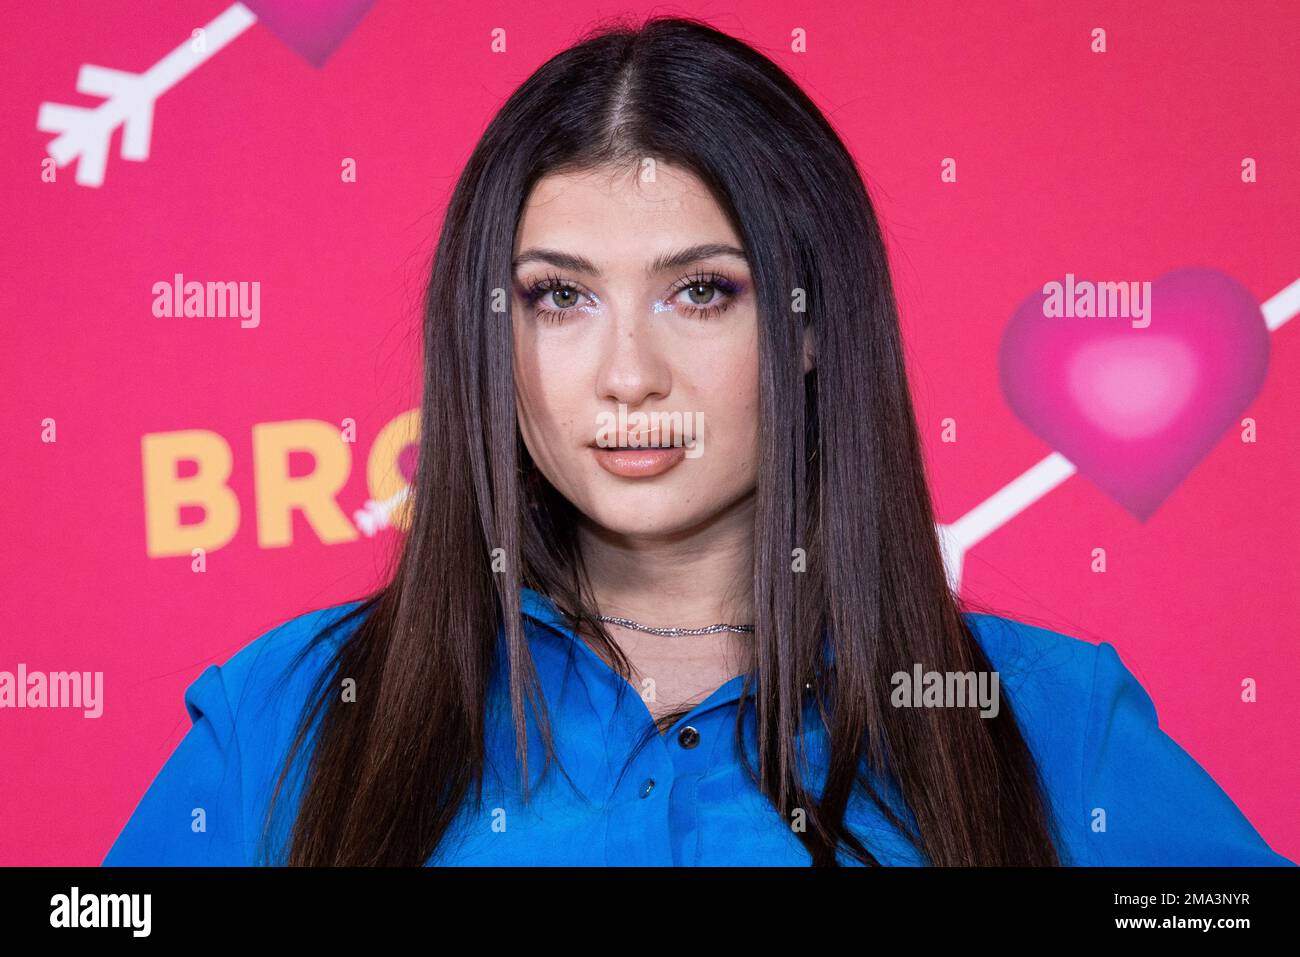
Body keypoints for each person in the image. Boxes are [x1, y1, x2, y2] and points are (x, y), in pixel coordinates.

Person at [103, 16, 1293, 867]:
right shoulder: (288, 715)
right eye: (558, 297)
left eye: (703, 292)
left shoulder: (1043, 721)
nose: (628, 376)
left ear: (815, 326)